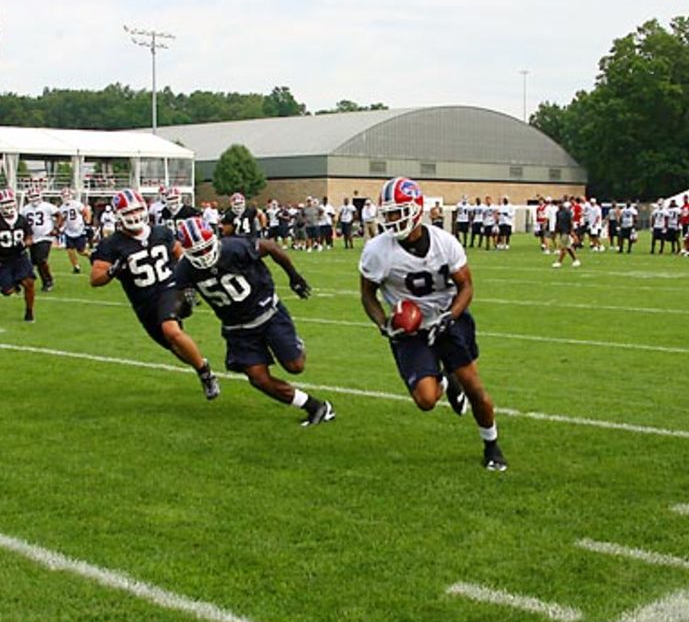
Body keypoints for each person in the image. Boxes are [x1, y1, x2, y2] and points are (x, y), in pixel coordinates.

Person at [359, 176, 506, 471]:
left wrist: (450, 317)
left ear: (416, 210)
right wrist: (383, 323)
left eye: (397, 212)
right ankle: (443, 377)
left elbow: (466, 287)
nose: (391, 219)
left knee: (475, 389)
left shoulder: (445, 242)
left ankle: (491, 445)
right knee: (426, 400)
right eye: (387, 213)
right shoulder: (378, 250)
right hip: (409, 331)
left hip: (448, 319)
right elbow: (367, 294)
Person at [173, 216, 333, 425]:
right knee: (258, 379)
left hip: (267, 312)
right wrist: (186, 303)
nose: (204, 255)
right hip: (237, 328)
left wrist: (294, 277)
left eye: (206, 248)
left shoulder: (235, 247)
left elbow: (273, 248)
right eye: (197, 252)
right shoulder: (184, 269)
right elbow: (184, 310)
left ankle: (295, 343)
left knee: (295, 366)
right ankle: (316, 406)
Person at [91, 190, 220, 400]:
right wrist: (112, 271)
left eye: (138, 209)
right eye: (128, 211)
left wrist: (187, 281)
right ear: (118, 214)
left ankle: (206, 376)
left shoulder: (161, 232)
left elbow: (180, 254)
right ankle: (202, 366)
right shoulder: (111, 244)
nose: (134, 215)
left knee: (170, 329)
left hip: (170, 287)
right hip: (144, 302)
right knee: (175, 347)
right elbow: (95, 279)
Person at [0, 188, 36, 322]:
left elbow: (29, 236)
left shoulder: (22, 220)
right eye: (4, 203)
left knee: (29, 283)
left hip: (19, 257)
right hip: (2, 259)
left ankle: (29, 312)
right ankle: (13, 284)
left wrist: (25, 243)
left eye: (10, 202)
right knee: (7, 291)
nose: (8, 206)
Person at [22, 185, 58, 291]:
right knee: (35, 262)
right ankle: (45, 280)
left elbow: (59, 215)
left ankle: (48, 281)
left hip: (45, 236)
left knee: (41, 260)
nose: (34, 199)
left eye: (36, 196)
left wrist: (56, 228)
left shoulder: (47, 206)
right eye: (32, 196)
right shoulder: (25, 209)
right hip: (33, 238)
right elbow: (23, 223)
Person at [55, 187, 90, 274]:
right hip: (69, 231)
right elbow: (61, 219)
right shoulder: (62, 208)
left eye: (67, 196)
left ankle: (93, 256)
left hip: (79, 229)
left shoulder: (77, 204)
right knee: (70, 250)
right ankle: (76, 267)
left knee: (81, 251)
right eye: (64, 196)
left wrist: (87, 221)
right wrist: (58, 227)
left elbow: (86, 211)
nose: (66, 198)